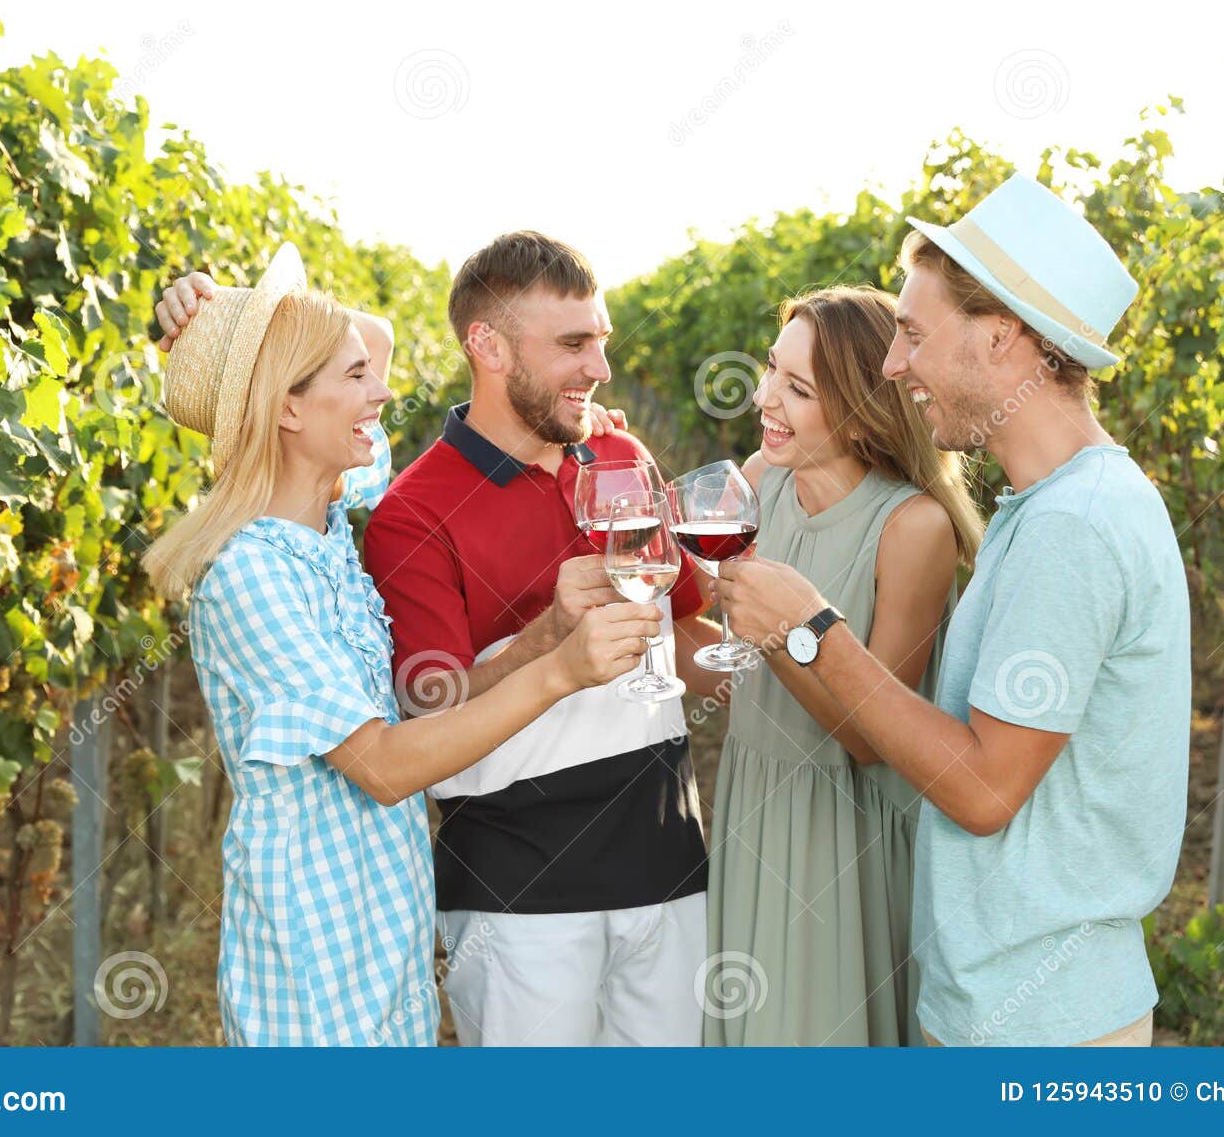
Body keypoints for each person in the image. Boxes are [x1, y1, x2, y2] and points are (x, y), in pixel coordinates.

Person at [143, 244, 662, 1046]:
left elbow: (374, 333)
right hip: (314, 951)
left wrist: (231, 311)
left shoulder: (326, 512)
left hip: (386, 926)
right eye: (353, 380)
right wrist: (557, 667)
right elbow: (383, 765)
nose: (381, 390)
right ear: (288, 410)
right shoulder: (251, 573)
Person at [715, 174, 1189, 1047]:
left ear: (1002, 338)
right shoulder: (1048, 508)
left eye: (913, 334)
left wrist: (811, 631)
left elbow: (980, 789)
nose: (895, 366)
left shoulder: (1073, 528)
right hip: (997, 1005)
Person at [362, 231, 729, 1046]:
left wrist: (776, 665)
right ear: (486, 346)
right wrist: (544, 641)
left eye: (600, 340)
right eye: (572, 344)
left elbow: (684, 628)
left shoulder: (622, 455)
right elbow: (429, 711)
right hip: (518, 895)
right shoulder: (412, 514)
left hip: (668, 863)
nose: (598, 367)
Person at [705, 286, 981, 1046]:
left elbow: (868, 739)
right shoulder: (761, 480)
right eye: (771, 371)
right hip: (755, 800)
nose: (765, 399)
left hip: (844, 836)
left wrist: (782, 632)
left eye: (797, 389)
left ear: (861, 408)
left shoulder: (913, 527)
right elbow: (727, 657)